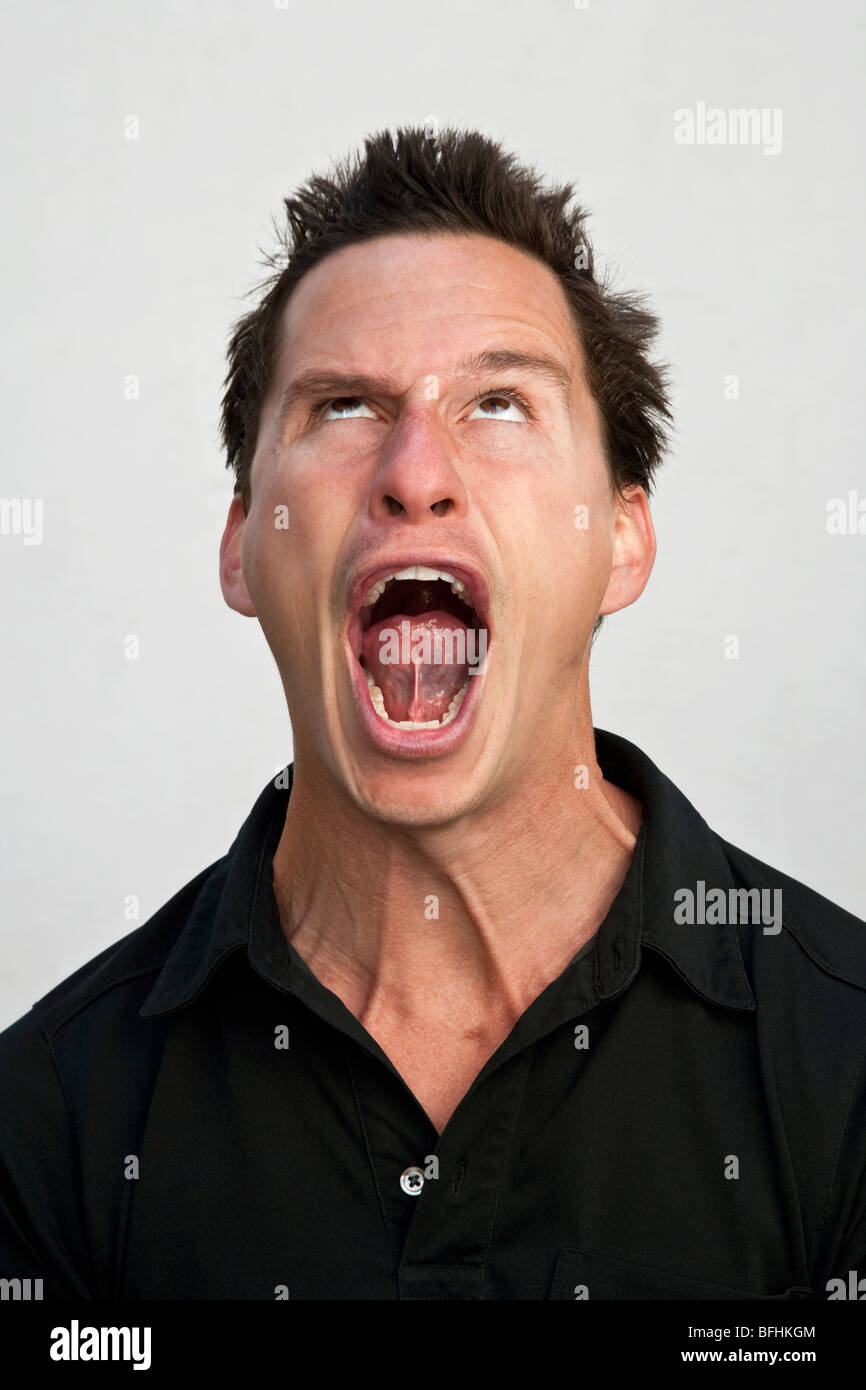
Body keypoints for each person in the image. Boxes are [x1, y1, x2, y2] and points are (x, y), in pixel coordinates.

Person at [1, 126, 863, 1302]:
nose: (416, 468)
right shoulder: (48, 1118)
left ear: (621, 536)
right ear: (242, 545)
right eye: (345, 404)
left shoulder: (845, 1064)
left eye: (499, 403)